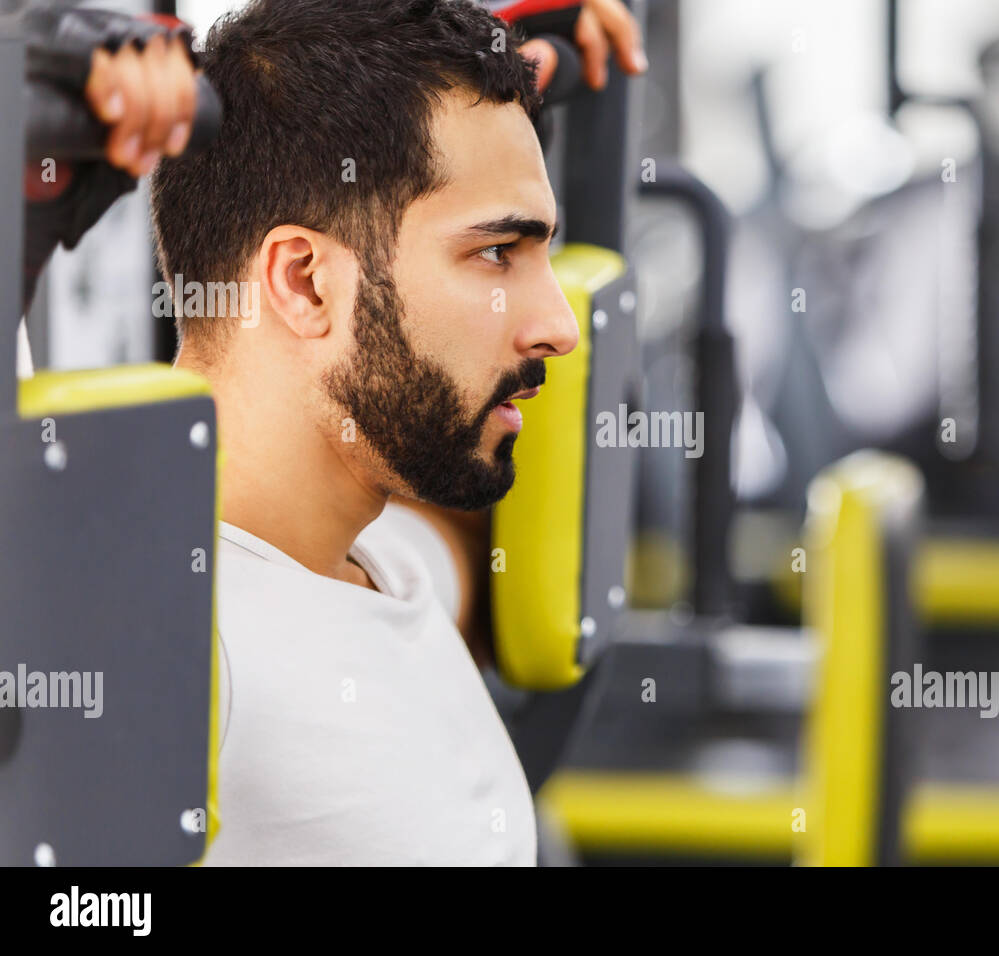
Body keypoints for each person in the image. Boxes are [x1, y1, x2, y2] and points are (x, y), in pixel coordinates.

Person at [20, 0, 646, 865]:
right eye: (497, 253)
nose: (560, 325)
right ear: (305, 283)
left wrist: (525, 42)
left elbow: (463, 537)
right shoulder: (174, 642)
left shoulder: (382, 557)